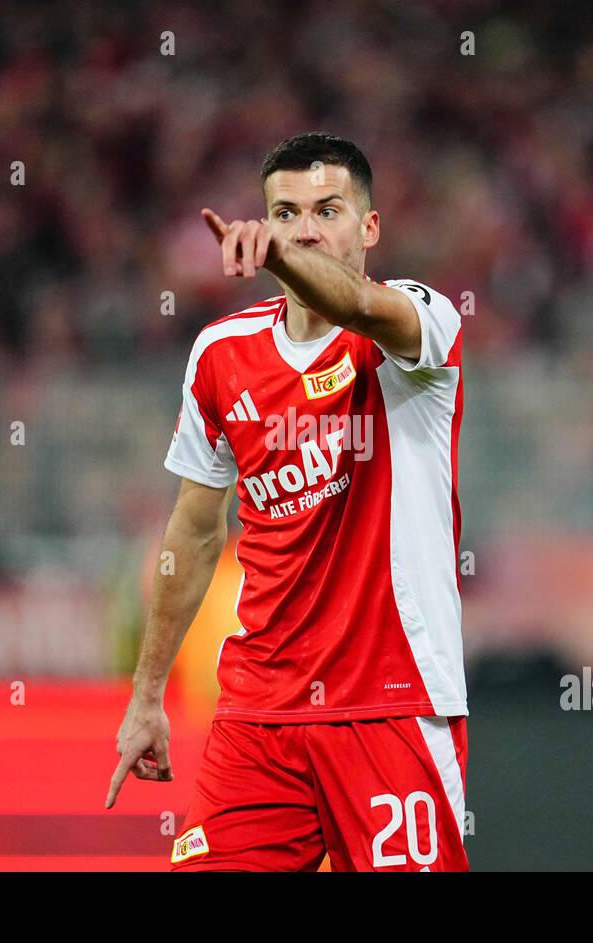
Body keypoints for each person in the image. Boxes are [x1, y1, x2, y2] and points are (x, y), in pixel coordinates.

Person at [106, 132, 469, 871]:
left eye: (328, 209)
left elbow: (364, 305)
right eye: (285, 213)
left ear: (369, 228)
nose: (304, 229)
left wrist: (275, 257)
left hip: (389, 705)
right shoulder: (220, 354)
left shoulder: (417, 325)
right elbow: (195, 531)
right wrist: (147, 696)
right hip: (259, 714)